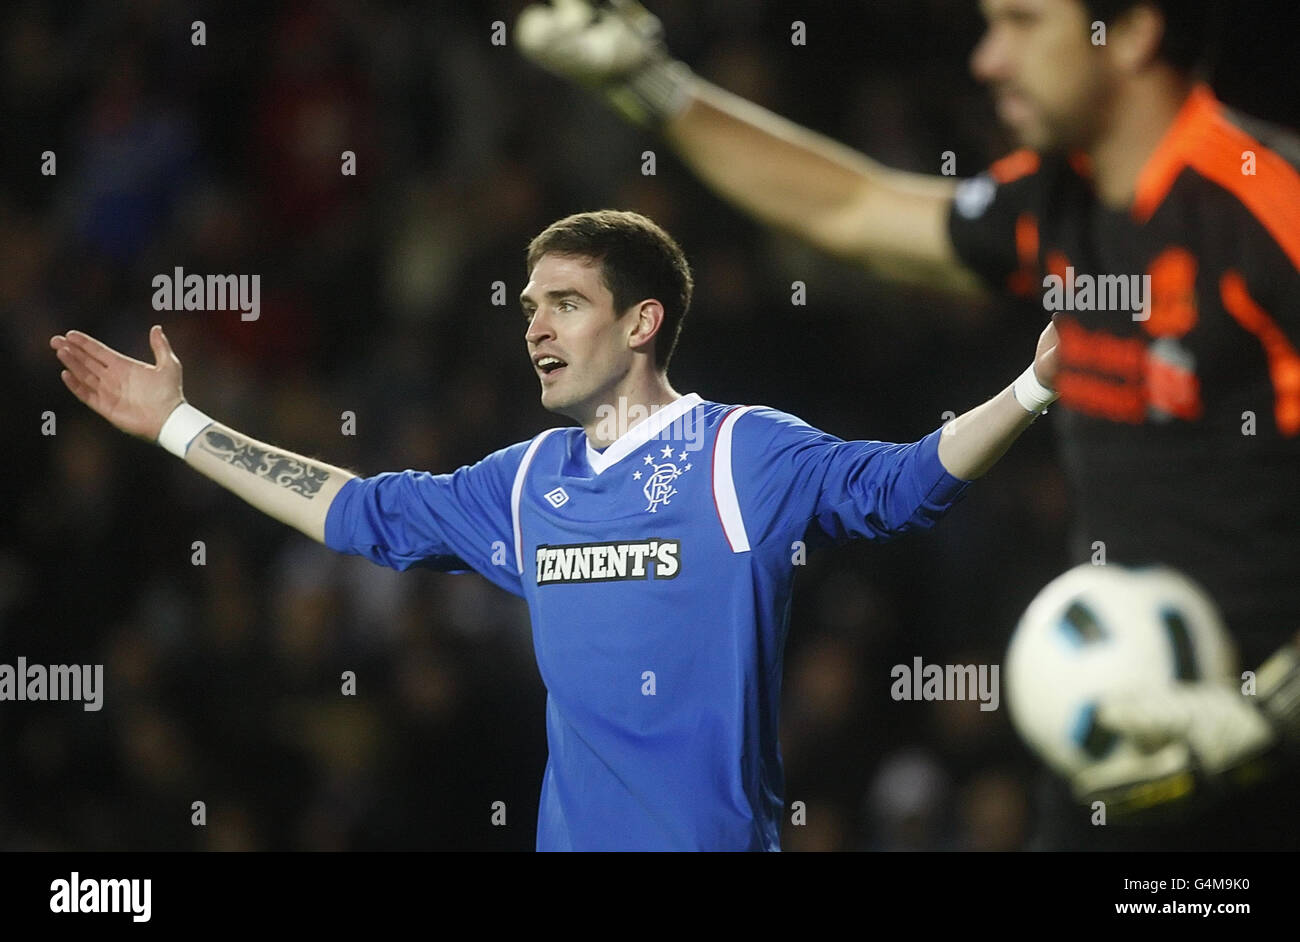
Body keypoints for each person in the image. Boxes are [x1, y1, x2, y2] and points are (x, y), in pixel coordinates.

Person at [516, 0, 1300, 846]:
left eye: (1024, 23)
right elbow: (852, 207)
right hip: (1115, 747)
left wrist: (1280, 705)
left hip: (1267, 766)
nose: (989, 59)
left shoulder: (1269, 208)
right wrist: (654, 87)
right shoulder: (1055, 200)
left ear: (1137, 32)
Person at [51, 209, 1060, 851]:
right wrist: (181, 426)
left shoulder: (737, 454)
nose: (532, 325)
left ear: (641, 322)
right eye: (530, 305)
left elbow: (904, 486)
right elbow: (352, 511)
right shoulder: (525, 480)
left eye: (564, 303)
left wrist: (1035, 384)